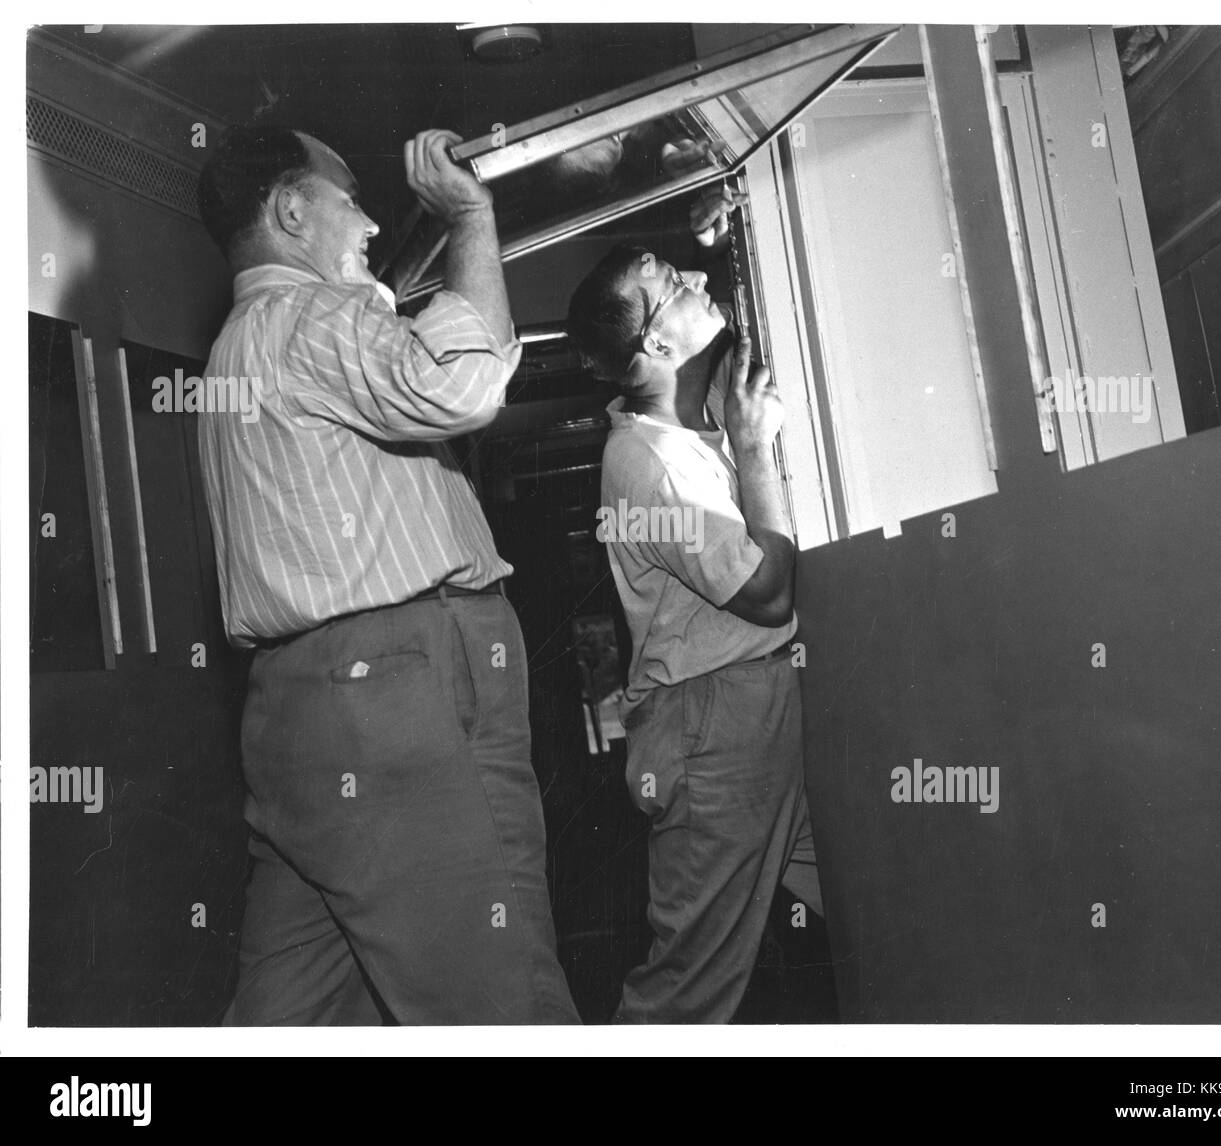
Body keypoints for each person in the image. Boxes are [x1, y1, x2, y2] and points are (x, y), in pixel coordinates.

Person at [196, 123, 579, 1025]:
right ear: (293, 209)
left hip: (295, 720)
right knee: (500, 1001)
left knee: (291, 1021)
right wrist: (469, 218)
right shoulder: (314, 319)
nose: (369, 222)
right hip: (399, 696)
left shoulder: (234, 351)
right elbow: (465, 384)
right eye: (350, 198)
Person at [564, 199, 825, 1023]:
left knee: (884, 880)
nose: (699, 278)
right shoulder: (651, 466)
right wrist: (754, 450)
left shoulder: (678, 440)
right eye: (674, 283)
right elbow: (769, 594)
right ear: (657, 345)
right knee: (686, 994)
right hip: (717, 730)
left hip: (745, 713)